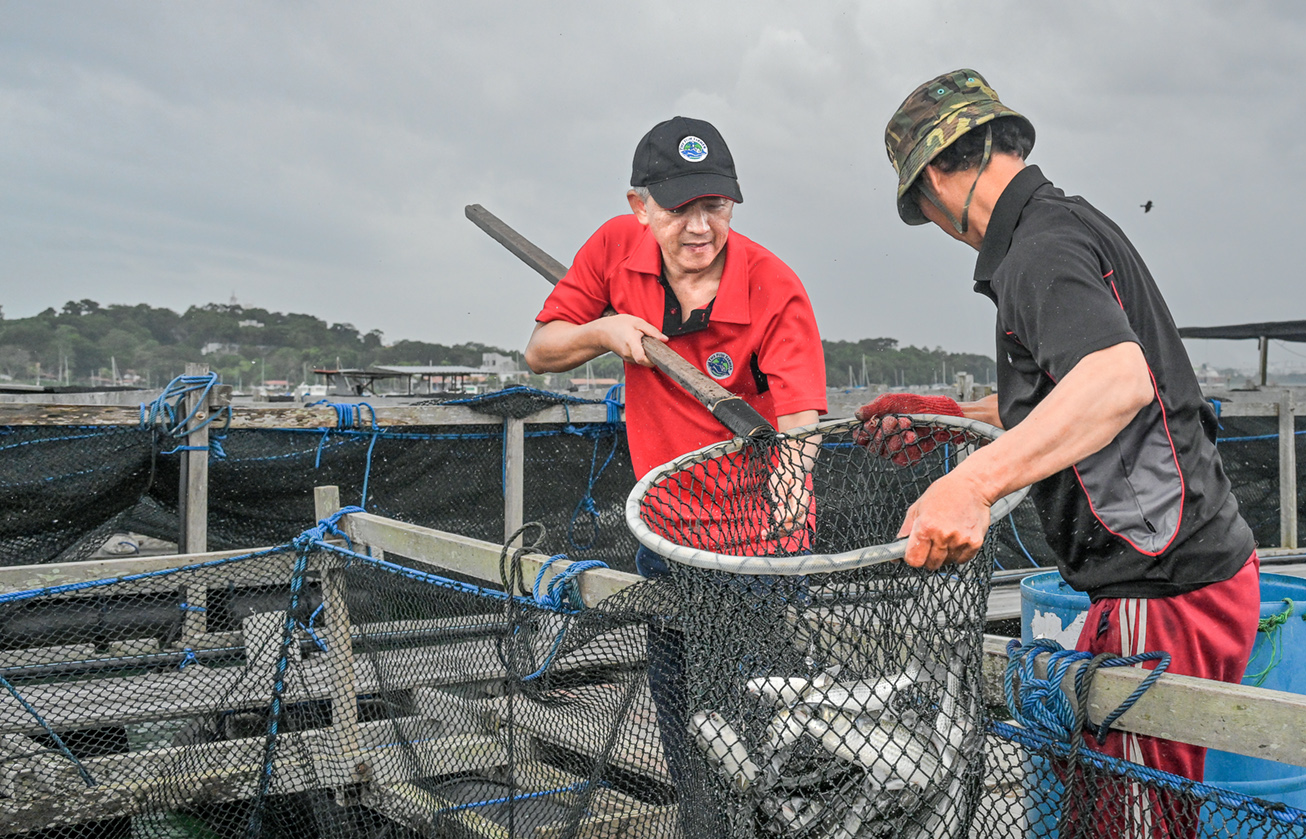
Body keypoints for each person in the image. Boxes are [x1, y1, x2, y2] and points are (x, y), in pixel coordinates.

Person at [860, 70, 1260, 783]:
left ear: (939, 181)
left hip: (1161, 593)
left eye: (923, 207)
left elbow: (1118, 380)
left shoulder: (1035, 252)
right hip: (1202, 572)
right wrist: (959, 420)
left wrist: (971, 485)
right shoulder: (1065, 224)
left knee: (1137, 822)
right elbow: (1070, 388)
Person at [523, 115, 827, 833]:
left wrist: (794, 476)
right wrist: (606, 332)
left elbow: (799, 410)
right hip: (665, 536)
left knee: (762, 723)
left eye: (716, 206)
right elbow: (541, 348)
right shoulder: (611, 249)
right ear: (641, 206)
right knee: (688, 716)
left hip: (758, 547)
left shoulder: (773, 284)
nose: (700, 227)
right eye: (680, 207)